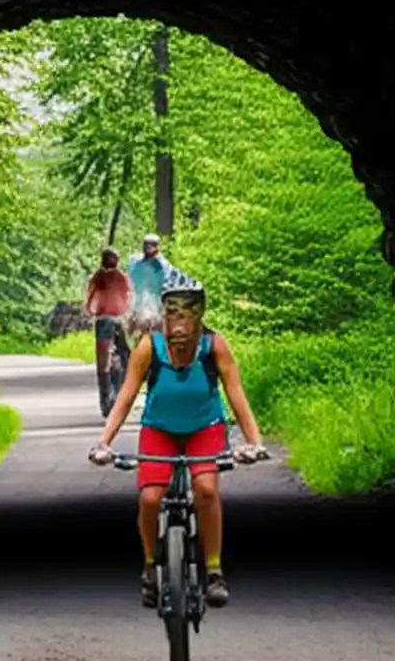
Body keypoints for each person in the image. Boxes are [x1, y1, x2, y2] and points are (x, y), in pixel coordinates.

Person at [87, 265, 269, 609]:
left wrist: (254, 442)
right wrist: (104, 443)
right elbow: (125, 397)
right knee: (151, 498)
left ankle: (213, 570)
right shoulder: (148, 347)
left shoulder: (214, 346)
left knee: (205, 490)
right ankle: (150, 565)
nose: (181, 323)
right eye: (173, 312)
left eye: (189, 311)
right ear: (164, 314)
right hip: (160, 429)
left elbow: (236, 396)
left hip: (206, 427)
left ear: (200, 315)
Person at [84, 247, 132, 414]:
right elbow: (129, 298)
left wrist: (91, 312)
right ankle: (116, 397)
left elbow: (89, 299)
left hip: (104, 319)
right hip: (117, 319)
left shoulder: (99, 277)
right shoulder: (121, 277)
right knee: (124, 356)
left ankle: (107, 399)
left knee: (104, 363)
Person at [125, 233, 168, 339]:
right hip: (135, 302)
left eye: (152, 245)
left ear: (158, 247)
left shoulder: (162, 265)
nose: (148, 247)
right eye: (146, 244)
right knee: (127, 330)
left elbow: (165, 286)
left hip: (154, 306)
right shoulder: (135, 261)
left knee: (150, 332)